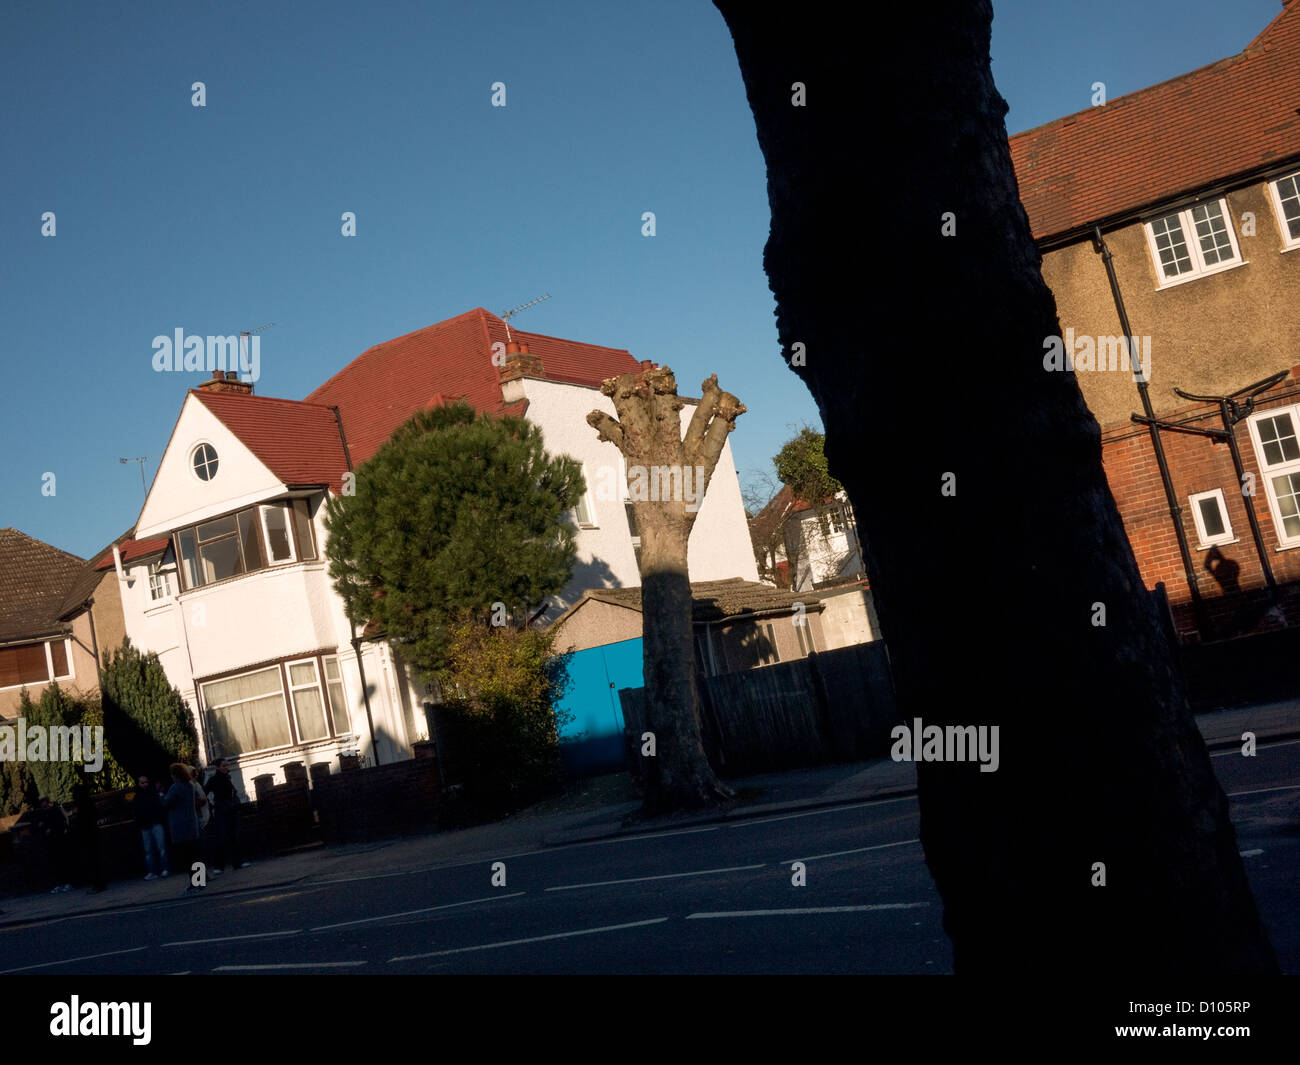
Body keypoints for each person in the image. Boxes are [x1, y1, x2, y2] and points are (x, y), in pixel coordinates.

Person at [165, 763, 204, 895]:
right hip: (192, 823)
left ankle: (194, 883)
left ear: (175, 775)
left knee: (187, 857)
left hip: (180, 826)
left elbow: (167, 803)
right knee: (196, 855)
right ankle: (201, 881)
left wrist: (161, 797)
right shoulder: (190, 785)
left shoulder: (175, 788)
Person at [206, 758, 249, 871]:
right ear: (218, 767)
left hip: (231, 810)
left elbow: (232, 792)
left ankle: (237, 862)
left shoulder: (228, 778)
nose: (226, 768)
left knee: (233, 836)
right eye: (224, 766)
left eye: (227, 766)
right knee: (222, 837)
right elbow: (205, 792)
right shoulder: (214, 780)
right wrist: (212, 805)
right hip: (222, 811)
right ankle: (218, 866)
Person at [71, 782, 106, 894]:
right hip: (93, 834)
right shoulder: (88, 802)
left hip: (87, 836)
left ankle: (97, 884)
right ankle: (99, 883)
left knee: (92, 861)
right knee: (96, 860)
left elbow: (82, 821)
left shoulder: (82, 805)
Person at [133, 774, 169, 880]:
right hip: (151, 824)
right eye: (142, 783)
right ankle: (161, 870)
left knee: (154, 849)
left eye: (146, 782)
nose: (145, 784)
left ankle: (155, 871)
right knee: (156, 849)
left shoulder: (140, 796)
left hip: (150, 824)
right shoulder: (151, 794)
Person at [33, 797, 72, 893]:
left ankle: (67, 883)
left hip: (58, 840)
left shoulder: (55, 812)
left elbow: (61, 824)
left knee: (63, 862)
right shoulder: (42, 814)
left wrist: (51, 829)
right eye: (43, 807)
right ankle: (59, 884)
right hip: (50, 843)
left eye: (46, 806)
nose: (45, 808)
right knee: (55, 864)